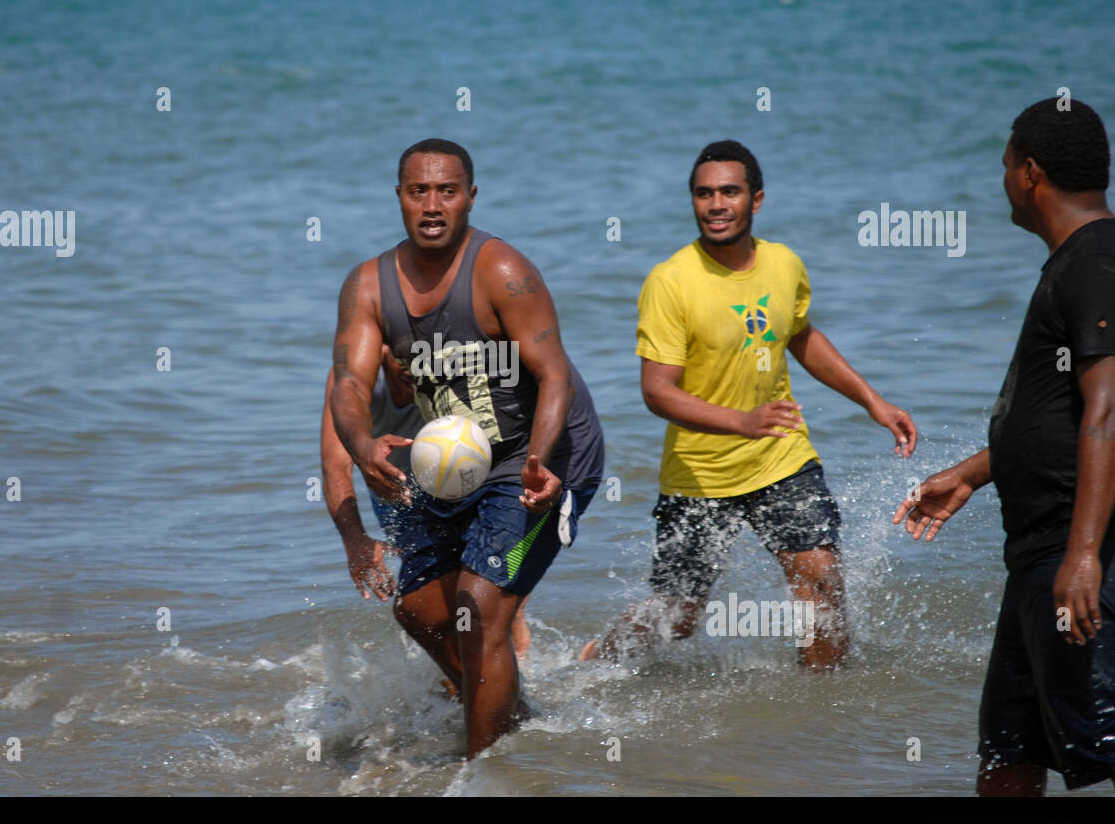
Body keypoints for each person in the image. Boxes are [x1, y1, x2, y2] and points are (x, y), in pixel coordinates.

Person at [581, 140, 916, 668]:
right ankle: (595, 660)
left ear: (755, 200)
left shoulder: (784, 264)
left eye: (729, 192)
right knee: (679, 616)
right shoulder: (670, 282)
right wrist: (741, 422)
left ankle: (819, 718)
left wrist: (872, 402)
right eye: (704, 193)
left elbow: (800, 336)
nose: (716, 204)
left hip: (782, 455)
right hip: (700, 472)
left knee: (820, 582)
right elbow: (657, 391)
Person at [329, 138, 604, 757]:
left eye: (447, 191)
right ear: (399, 196)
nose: (432, 205)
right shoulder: (369, 286)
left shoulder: (502, 271)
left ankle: (482, 769)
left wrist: (537, 463)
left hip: (544, 455)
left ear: (470, 198)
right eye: (418, 190)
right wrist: (363, 443)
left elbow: (554, 373)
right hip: (455, 462)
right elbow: (348, 382)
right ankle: (510, 713)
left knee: (480, 608)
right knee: (423, 609)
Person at [894, 99, 1115, 795]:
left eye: (1003, 167)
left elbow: (1109, 408)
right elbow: (1059, 413)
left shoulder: (1095, 262)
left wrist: (1083, 555)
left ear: (1029, 174)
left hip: (1074, 552)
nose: (1002, 182)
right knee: (1008, 755)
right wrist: (973, 474)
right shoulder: (1076, 262)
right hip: (1038, 558)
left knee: (1103, 741)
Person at [320, 348, 531, 660]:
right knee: (433, 606)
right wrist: (355, 539)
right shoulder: (357, 377)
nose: (416, 371)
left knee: (494, 600)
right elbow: (335, 464)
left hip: (468, 487)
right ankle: (457, 691)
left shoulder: (452, 365)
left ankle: (519, 672)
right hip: (399, 498)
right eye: (404, 361)